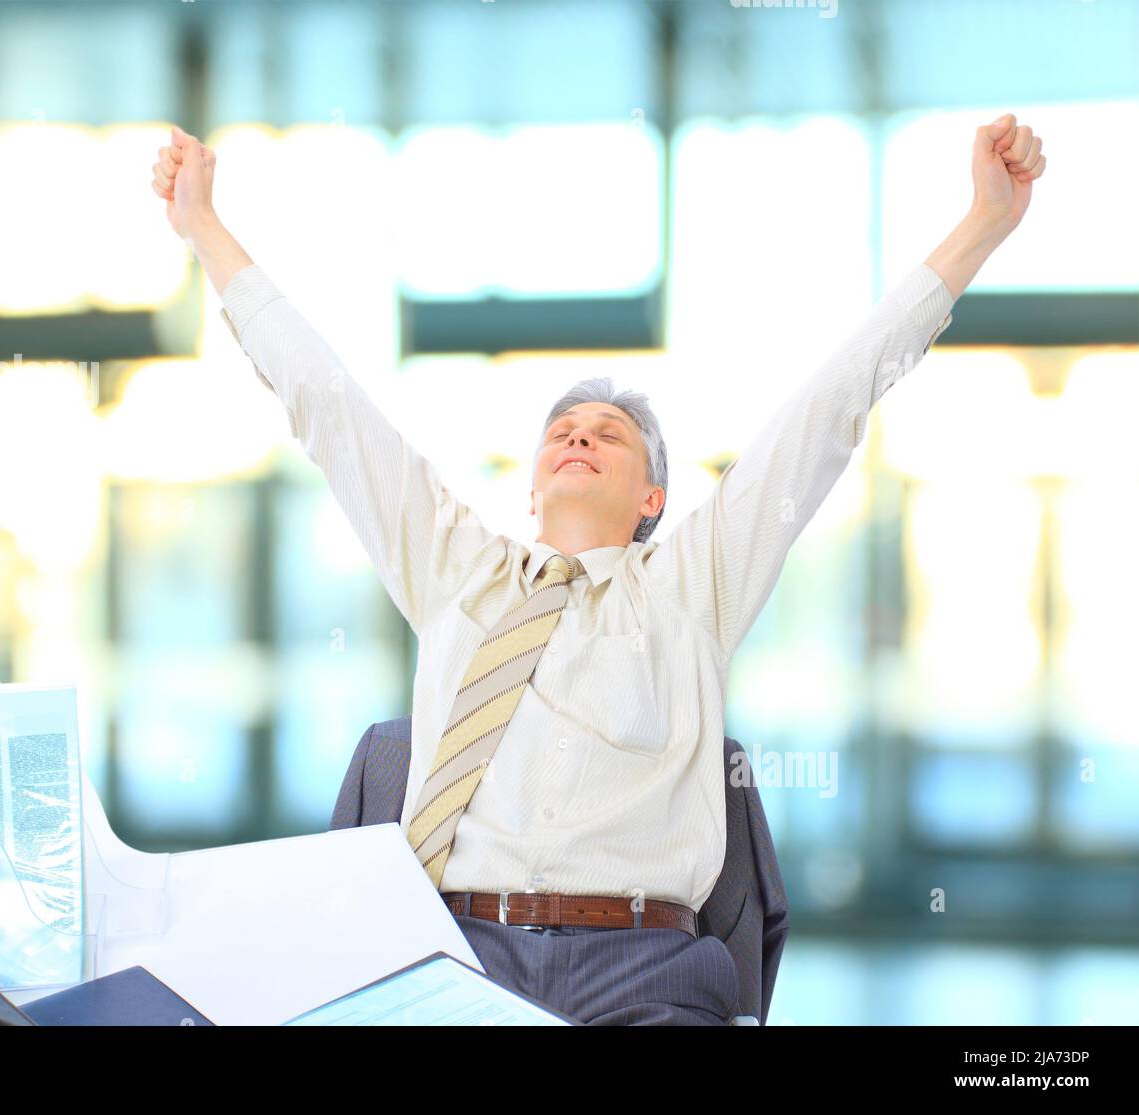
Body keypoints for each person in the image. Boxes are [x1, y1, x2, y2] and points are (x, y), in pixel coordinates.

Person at [149, 114, 1046, 1024]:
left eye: (607, 435)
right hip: (451, 957)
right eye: (561, 433)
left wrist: (984, 222)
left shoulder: (692, 586)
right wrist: (203, 228)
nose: (578, 436)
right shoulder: (460, 568)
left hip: (642, 966)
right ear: (534, 488)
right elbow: (325, 399)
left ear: (651, 497)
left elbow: (834, 403)